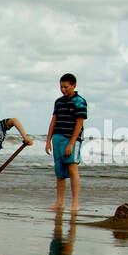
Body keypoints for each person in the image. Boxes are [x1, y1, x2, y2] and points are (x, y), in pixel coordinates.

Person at [45, 73, 87, 212]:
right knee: (59, 171)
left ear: (74, 85)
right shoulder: (58, 102)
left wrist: (71, 143)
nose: (63, 89)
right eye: (61, 87)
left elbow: (79, 123)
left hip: (71, 139)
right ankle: (60, 202)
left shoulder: (79, 101)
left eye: (66, 87)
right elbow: (53, 121)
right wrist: (48, 140)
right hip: (57, 137)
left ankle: (75, 203)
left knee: (72, 168)